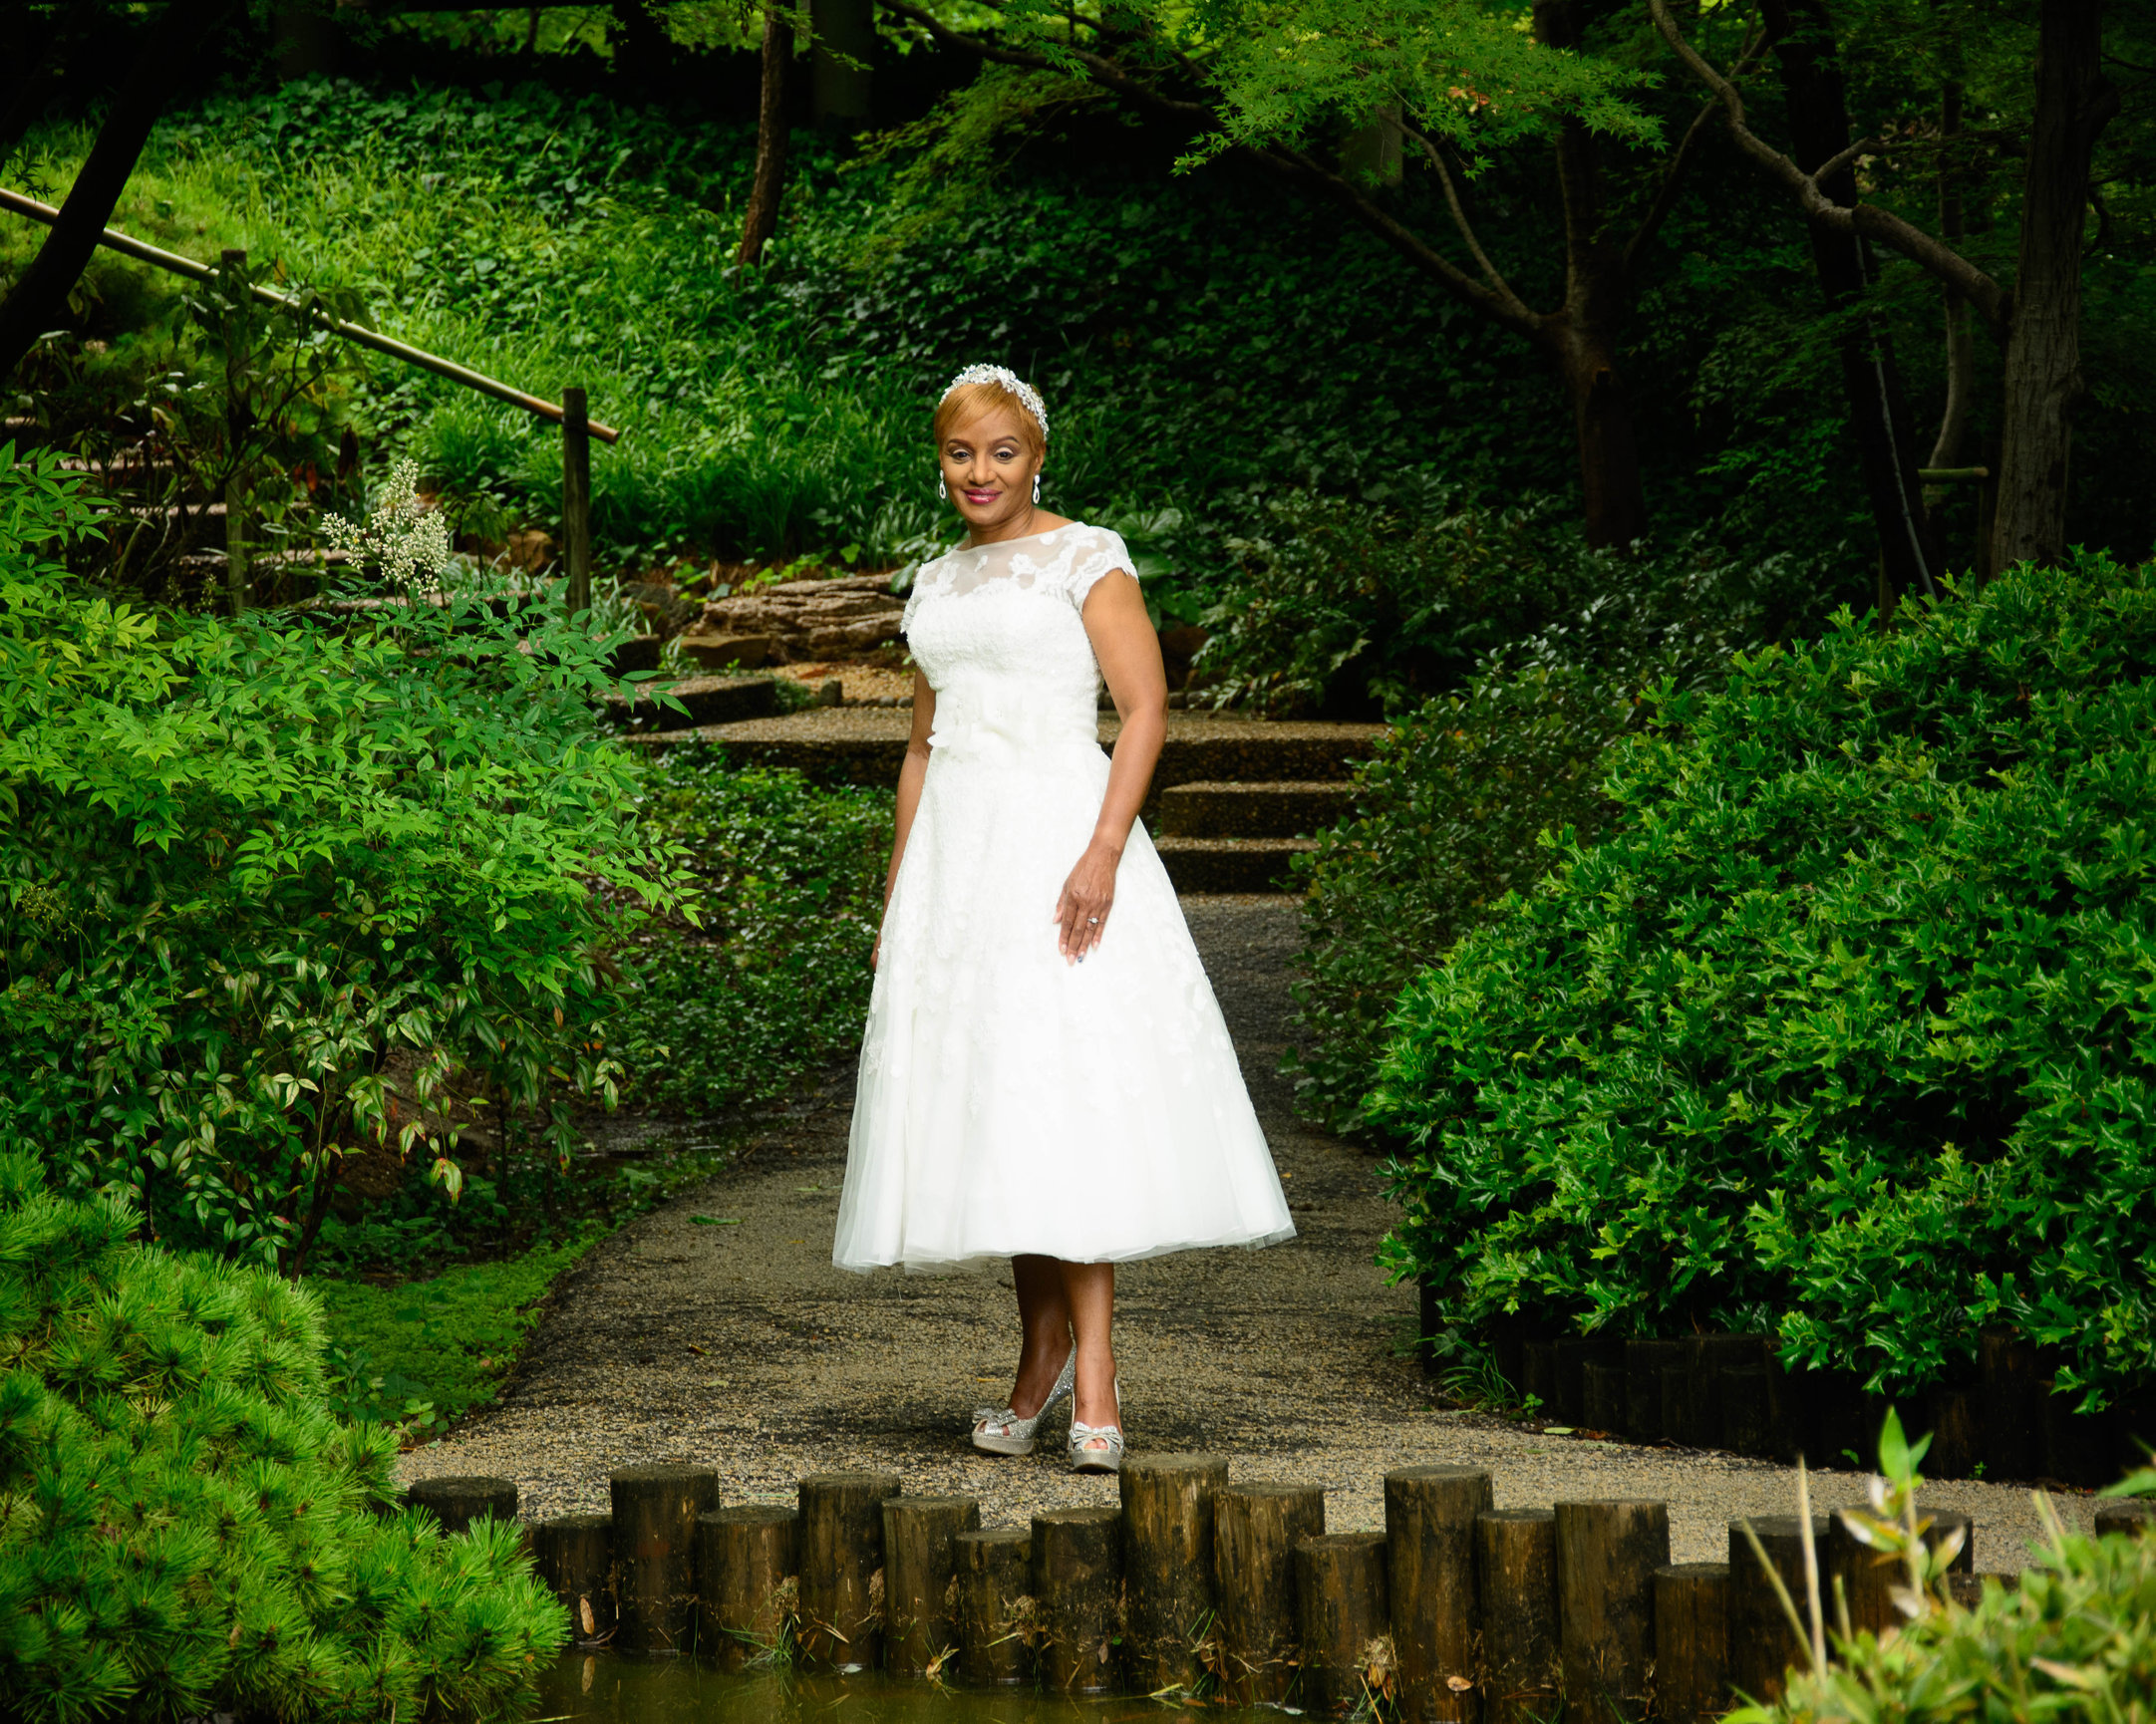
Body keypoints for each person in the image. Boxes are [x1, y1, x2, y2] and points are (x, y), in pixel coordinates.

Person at [831, 364, 1294, 1473]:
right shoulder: (934, 583)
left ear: (1038, 456)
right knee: (998, 1104)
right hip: (960, 862)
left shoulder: (1089, 555)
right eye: (960, 453)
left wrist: (1098, 850)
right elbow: (917, 747)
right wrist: (902, 889)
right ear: (939, 463)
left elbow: (1144, 710)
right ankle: (1038, 1349)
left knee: (1065, 1095)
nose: (980, 472)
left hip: (1057, 844)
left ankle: (1097, 1373)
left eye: (1002, 451)